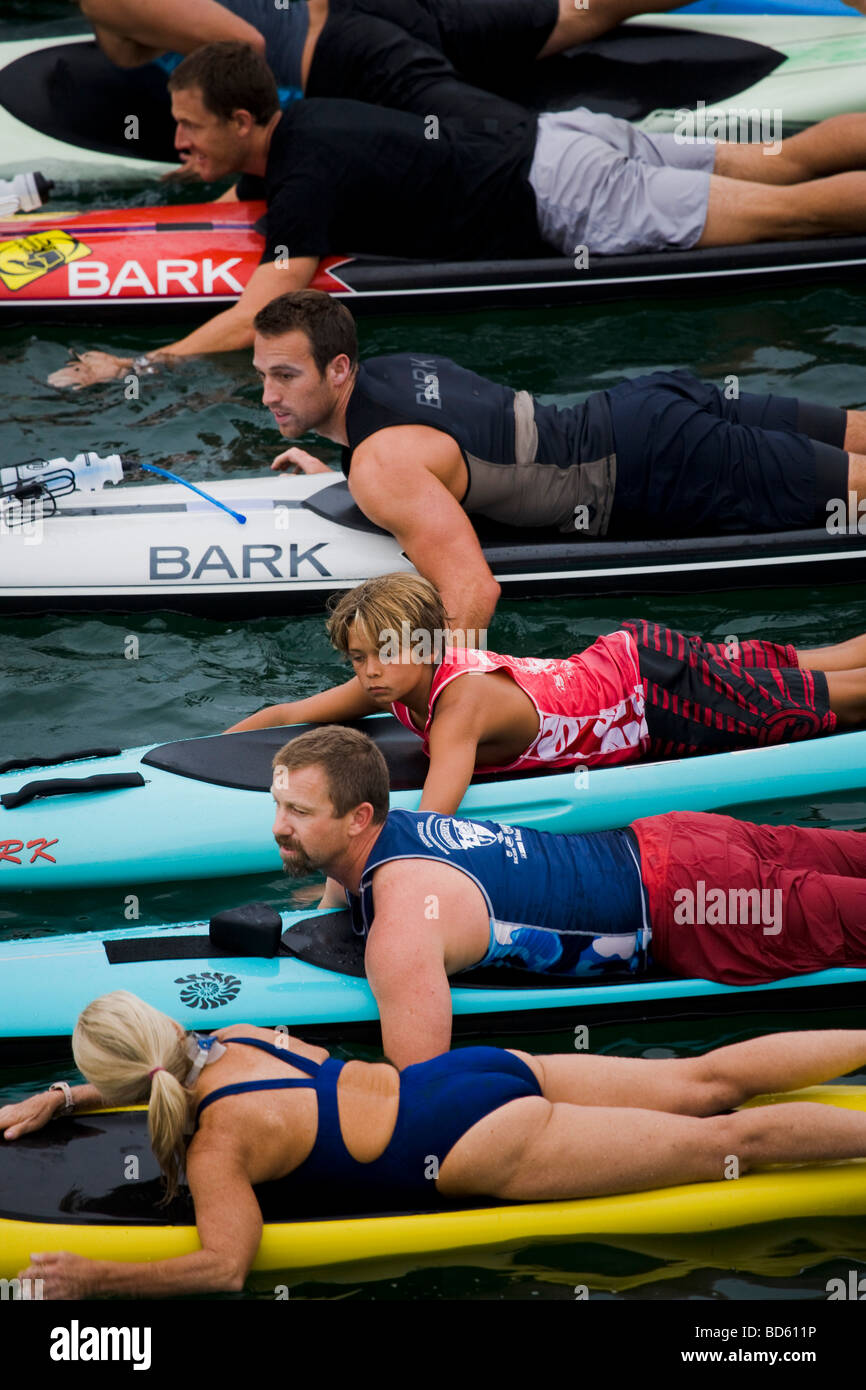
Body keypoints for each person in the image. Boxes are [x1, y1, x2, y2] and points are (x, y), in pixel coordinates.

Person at [48, 44, 866, 391]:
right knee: (779, 163)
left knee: (790, 216)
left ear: (239, 124)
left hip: (570, 197)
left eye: (189, 125)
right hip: (563, 136)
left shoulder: (304, 176)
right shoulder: (314, 123)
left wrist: (145, 362)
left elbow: (268, 306)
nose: (177, 139)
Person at [5, 991, 866, 1295]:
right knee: (707, 1081)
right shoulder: (233, 1035)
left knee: (735, 1140)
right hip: (469, 1074)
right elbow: (158, 1073)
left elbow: (228, 1267)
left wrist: (97, 1277)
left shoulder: (219, 1144)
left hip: (480, 1141)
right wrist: (61, 1094)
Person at [265, 726, 866, 1067]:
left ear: (358, 817)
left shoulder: (401, 928)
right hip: (673, 837)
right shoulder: (382, 837)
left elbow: (427, 1088)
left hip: (694, 907)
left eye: (297, 810)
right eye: (278, 805)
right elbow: (343, 886)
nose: (278, 826)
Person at [226, 572, 866, 814]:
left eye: (382, 652)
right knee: (806, 666)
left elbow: (431, 818)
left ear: (423, 641)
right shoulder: (397, 678)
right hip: (633, 657)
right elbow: (288, 713)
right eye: (358, 658)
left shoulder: (460, 705)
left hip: (658, 699)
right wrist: (187, 752)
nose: (368, 672)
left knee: (833, 702)